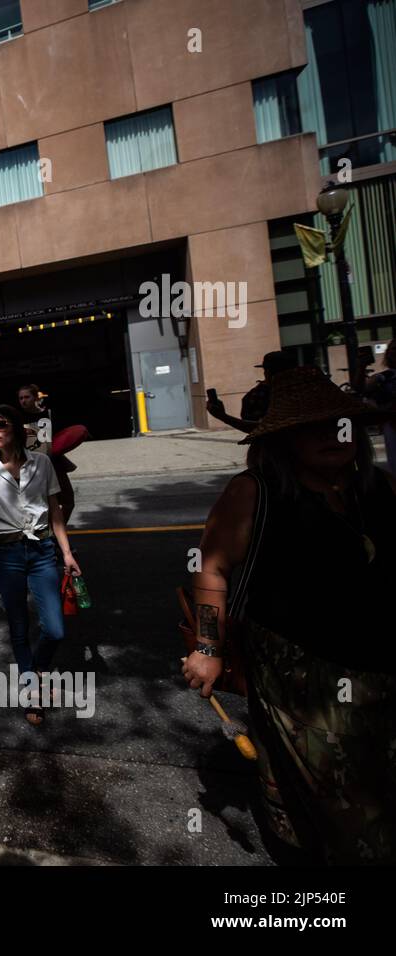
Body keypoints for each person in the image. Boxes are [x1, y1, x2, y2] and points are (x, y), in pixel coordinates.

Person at [182, 367, 395, 865]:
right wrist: (208, 648)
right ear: (283, 440)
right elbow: (212, 568)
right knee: (347, 805)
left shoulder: (379, 487)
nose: (332, 435)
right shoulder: (254, 492)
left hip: (382, 663)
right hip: (301, 670)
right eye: (312, 427)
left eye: (341, 423)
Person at [0, 404, 81, 726]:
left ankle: (38, 669)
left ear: (15, 429)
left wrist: (67, 553)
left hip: (42, 549)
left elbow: (55, 509)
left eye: (1, 425)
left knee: (54, 629)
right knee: (18, 626)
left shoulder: (41, 463)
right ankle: (32, 688)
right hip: (6, 553)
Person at [17, 384, 77, 524]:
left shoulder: (49, 414)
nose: (23, 401)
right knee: (43, 505)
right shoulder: (18, 419)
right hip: (31, 468)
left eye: (27, 397)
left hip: (54, 464)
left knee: (68, 501)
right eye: (20, 398)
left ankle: (57, 531)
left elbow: (61, 437)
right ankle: (50, 538)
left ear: (35, 397)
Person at [205, 350, 297, 433]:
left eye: (266, 370)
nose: (265, 374)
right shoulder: (260, 391)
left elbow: (261, 427)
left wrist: (222, 416)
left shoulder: (269, 394)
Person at [364, 340, 396, 468]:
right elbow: (363, 388)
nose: (394, 352)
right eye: (393, 349)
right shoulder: (385, 376)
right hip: (392, 424)